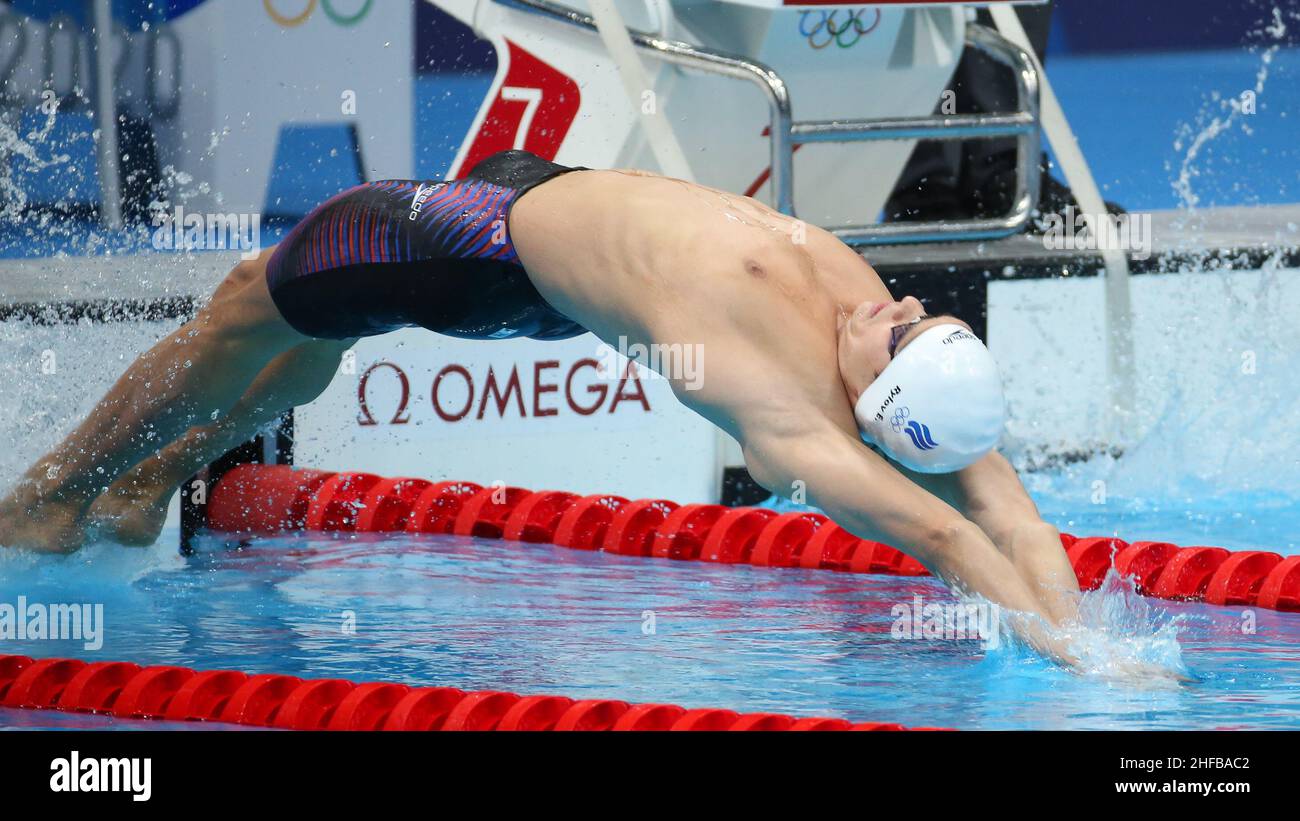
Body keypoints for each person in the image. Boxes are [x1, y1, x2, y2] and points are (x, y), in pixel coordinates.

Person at [0, 149, 1085, 666]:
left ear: (875, 395)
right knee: (313, 324)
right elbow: (1006, 509)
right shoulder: (867, 320)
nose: (890, 302)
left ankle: (57, 493)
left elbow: (945, 531)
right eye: (918, 311)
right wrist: (1092, 637)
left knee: (251, 299)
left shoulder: (780, 411)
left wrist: (1065, 668)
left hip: (477, 248)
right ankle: (146, 482)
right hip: (544, 196)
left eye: (898, 330)